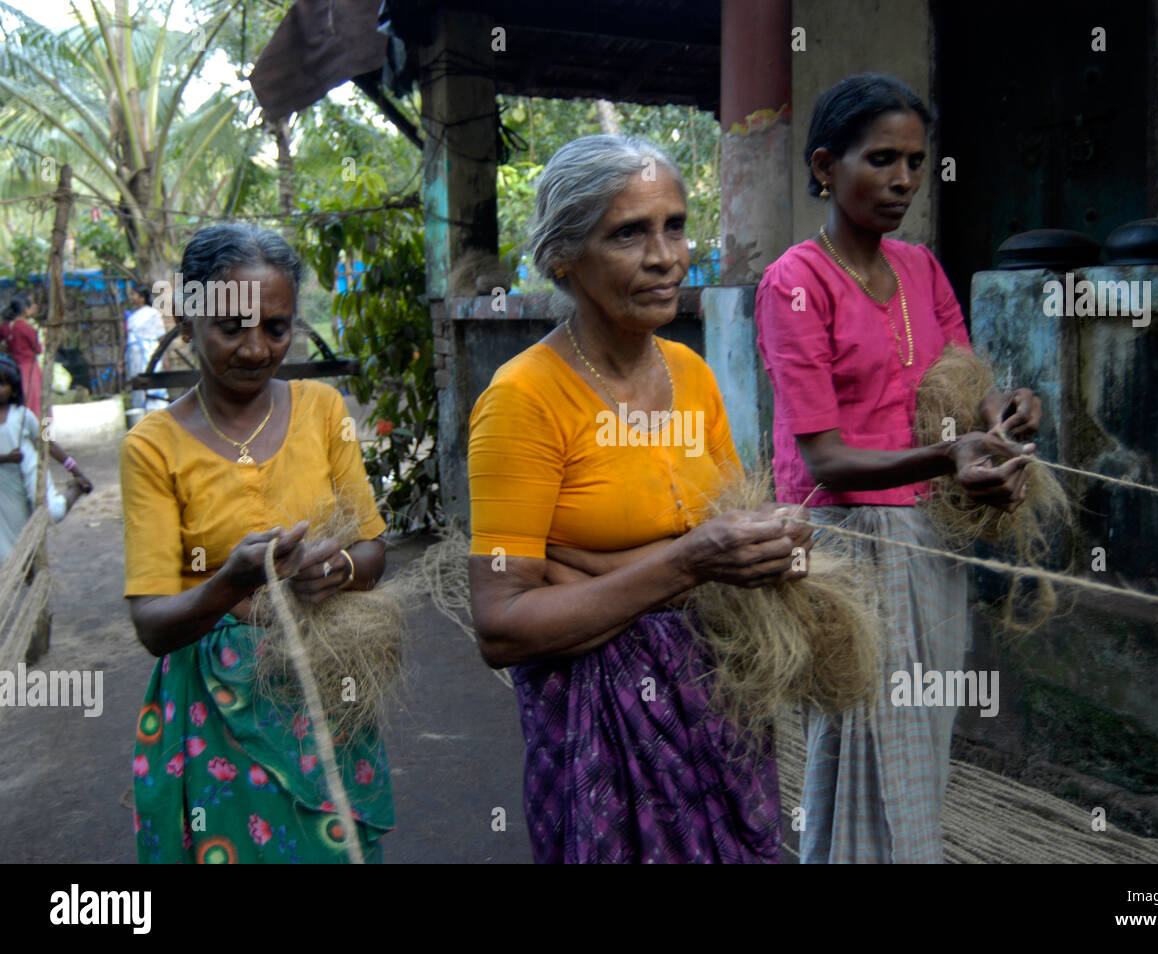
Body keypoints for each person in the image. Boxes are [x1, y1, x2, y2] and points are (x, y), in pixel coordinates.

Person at [467, 135, 810, 864]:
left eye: (675, 225)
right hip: (601, 739)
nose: (666, 257)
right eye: (629, 233)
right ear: (565, 255)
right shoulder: (524, 399)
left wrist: (771, 544)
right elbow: (502, 624)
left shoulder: (691, 374)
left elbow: (725, 529)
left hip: (721, 706)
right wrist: (689, 563)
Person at [754, 73, 1043, 864]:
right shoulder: (796, 285)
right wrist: (951, 456)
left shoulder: (921, 270)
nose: (904, 181)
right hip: (848, 548)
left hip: (927, 540)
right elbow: (827, 459)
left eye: (915, 162)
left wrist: (1004, 413)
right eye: (881, 159)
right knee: (855, 738)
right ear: (823, 165)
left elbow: (963, 378)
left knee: (920, 737)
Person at [120, 224, 393, 863]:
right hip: (215, 716)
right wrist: (230, 585)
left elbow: (374, 551)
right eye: (231, 327)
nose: (255, 348)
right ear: (187, 322)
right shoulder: (154, 448)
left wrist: (339, 568)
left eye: (275, 328)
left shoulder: (323, 410)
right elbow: (153, 626)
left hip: (325, 687)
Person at [0, 354, 91, 562]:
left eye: (2, 383)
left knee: (51, 512)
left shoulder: (24, 414)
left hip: (30, 472)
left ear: (13, 388)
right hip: (5, 485)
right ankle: (26, 568)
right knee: (13, 533)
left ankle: (74, 490)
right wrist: (6, 458)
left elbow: (48, 442)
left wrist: (74, 469)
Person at [124, 284, 169, 413]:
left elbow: (161, 337)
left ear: (142, 297)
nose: (131, 297)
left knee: (152, 379)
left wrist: (164, 357)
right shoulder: (132, 316)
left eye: (134, 294)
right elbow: (126, 338)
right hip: (134, 354)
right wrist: (121, 361)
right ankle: (140, 409)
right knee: (137, 380)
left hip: (150, 352)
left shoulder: (153, 314)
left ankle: (157, 410)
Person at [0, 295, 43, 415]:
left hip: (14, 367)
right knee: (34, 400)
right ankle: (43, 431)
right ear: (26, 310)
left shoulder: (6, 327)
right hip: (30, 368)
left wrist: (7, 349)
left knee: (21, 398)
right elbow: (38, 349)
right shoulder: (27, 328)